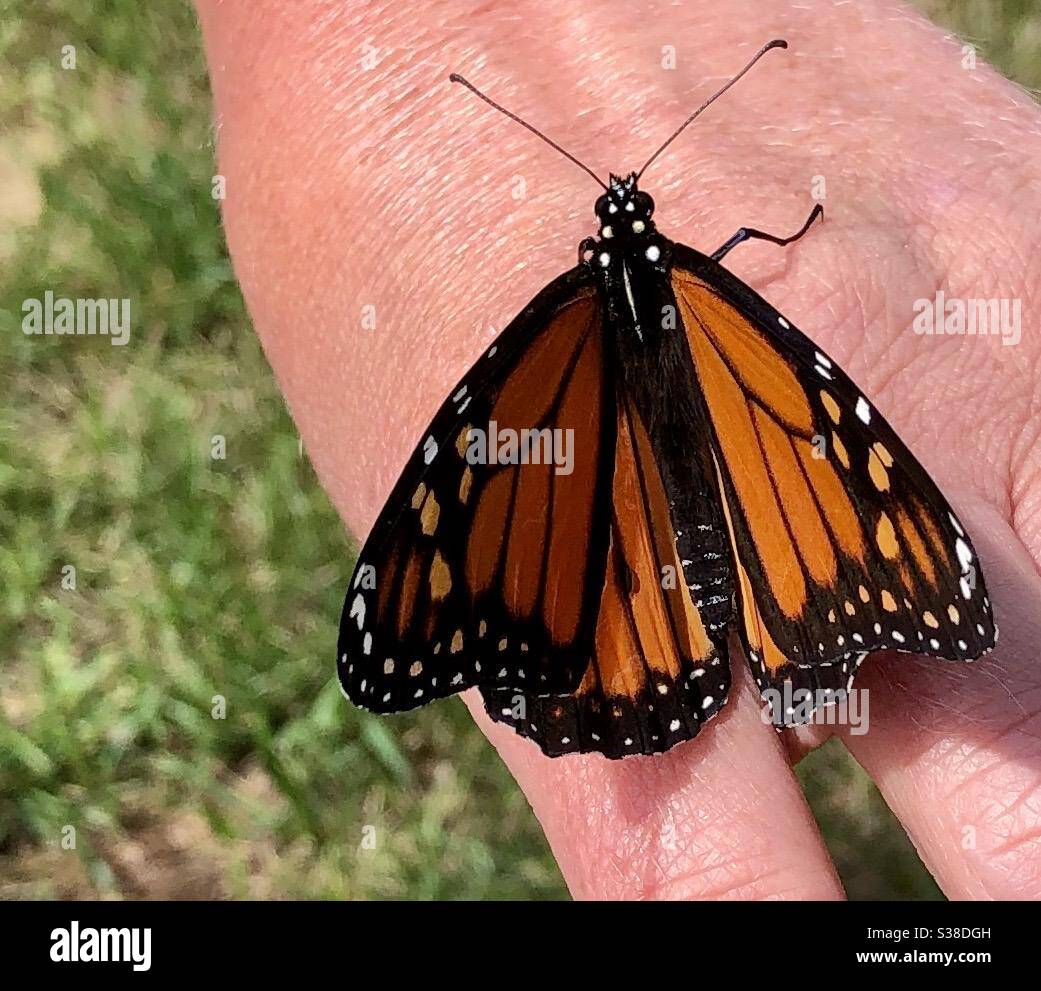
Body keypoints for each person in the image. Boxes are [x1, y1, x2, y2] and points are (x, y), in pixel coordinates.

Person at [195, 0, 1041, 899]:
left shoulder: (567, 335)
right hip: (630, 600)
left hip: (646, 591)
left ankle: (800, 618)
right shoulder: (683, 308)